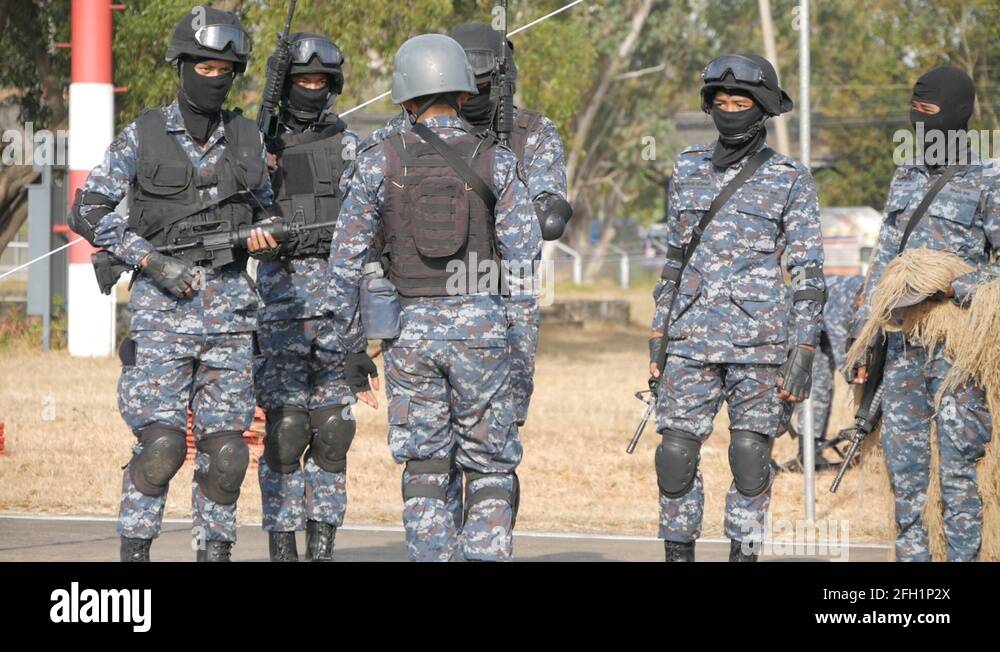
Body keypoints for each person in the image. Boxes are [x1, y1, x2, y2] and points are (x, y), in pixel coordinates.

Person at [69, 7, 276, 562]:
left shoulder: (247, 138)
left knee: (227, 454)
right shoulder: (143, 134)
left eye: (225, 69)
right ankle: (134, 559)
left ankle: (216, 555)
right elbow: (86, 208)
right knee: (160, 448)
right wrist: (152, 262)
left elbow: (271, 214)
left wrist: (265, 234)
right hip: (162, 318)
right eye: (204, 66)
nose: (215, 77)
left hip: (231, 321)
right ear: (182, 65)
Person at [325, 34, 540, 561]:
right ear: (465, 95)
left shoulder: (379, 160)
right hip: (483, 333)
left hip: (409, 336)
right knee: (489, 465)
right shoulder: (497, 160)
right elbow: (525, 270)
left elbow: (344, 263)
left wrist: (352, 349)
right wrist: (521, 362)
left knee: (424, 465)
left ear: (405, 98)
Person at [648, 54, 825, 562]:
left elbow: (809, 273)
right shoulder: (686, 167)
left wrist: (805, 348)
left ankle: (742, 556)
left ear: (762, 108)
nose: (729, 110)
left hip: (762, 347)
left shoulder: (791, 178)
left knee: (750, 461)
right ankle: (678, 555)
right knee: (674, 457)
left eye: (740, 102)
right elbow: (674, 261)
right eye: (721, 102)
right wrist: (659, 336)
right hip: (689, 341)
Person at [849, 66, 997, 562]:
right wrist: (863, 340)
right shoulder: (906, 175)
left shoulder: (988, 179)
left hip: (957, 349)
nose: (919, 121)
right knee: (905, 476)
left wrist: (958, 285)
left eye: (929, 112)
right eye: (914, 112)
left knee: (957, 476)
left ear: (957, 114)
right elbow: (883, 264)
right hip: (901, 350)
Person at [253, 33, 364, 562]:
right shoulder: (256, 146)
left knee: (333, 432)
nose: (312, 89)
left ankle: (322, 546)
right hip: (282, 299)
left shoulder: (350, 146)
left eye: (321, 82)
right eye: (302, 81)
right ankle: (282, 546)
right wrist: (259, 161)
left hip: (340, 302)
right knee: (285, 431)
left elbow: (372, 225)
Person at [786, 273, 864, 469]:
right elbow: (845, 361)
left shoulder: (873, 297)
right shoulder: (846, 301)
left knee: (822, 384)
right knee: (817, 383)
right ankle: (808, 453)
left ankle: (812, 450)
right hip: (805, 320)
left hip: (824, 320)